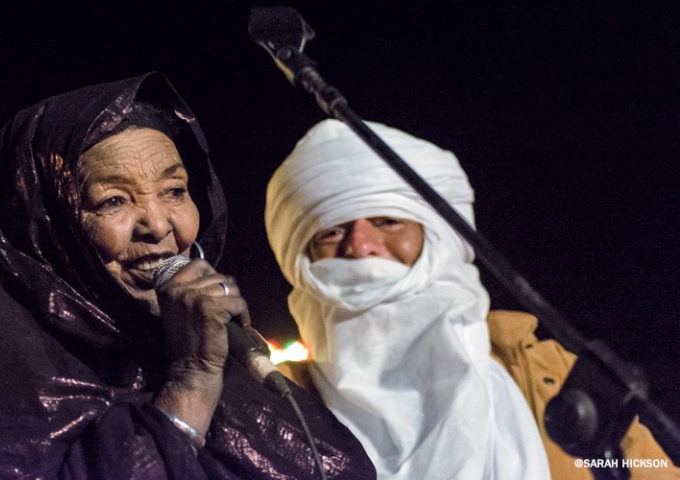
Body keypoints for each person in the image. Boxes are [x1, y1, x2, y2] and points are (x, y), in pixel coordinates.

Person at [0, 74, 375, 479]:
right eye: (113, 201)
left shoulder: (205, 348)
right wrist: (191, 383)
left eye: (174, 190)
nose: (157, 225)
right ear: (46, 229)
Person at [265, 119, 679, 479]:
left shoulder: (546, 376)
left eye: (387, 221)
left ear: (438, 238)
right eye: (331, 233)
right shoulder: (278, 410)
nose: (361, 247)